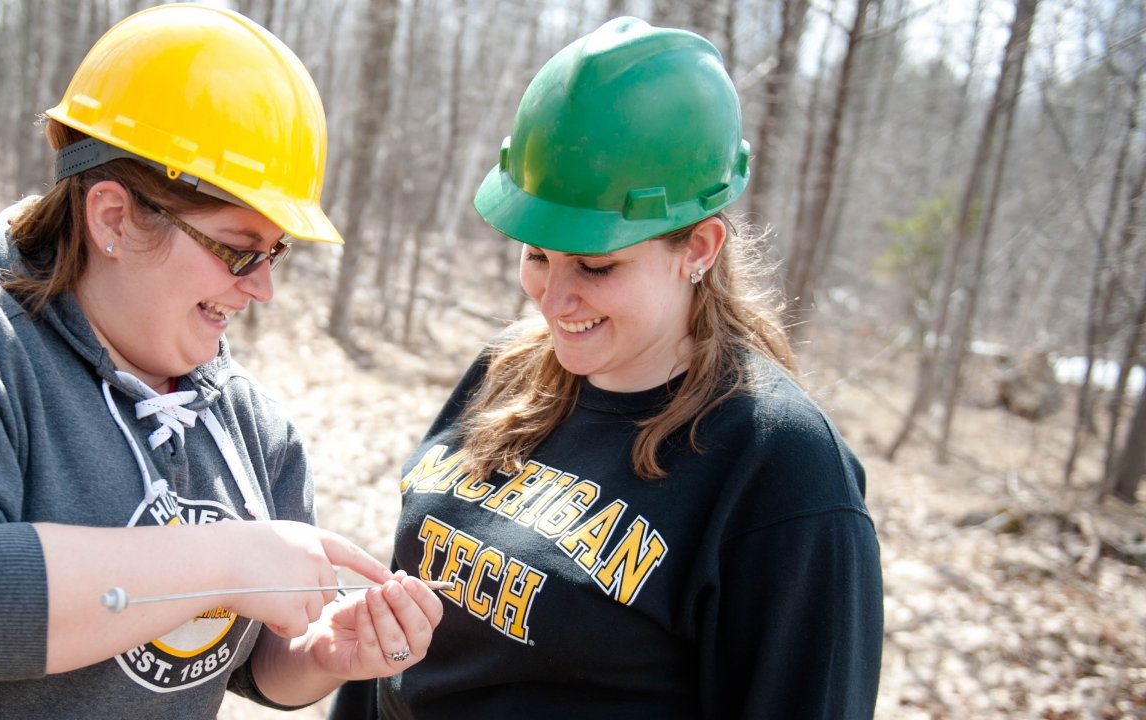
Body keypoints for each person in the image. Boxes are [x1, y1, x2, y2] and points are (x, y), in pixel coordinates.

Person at [0, 6, 442, 719]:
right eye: (238, 248)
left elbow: (246, 663)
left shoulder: (252, 429)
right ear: (113, 219)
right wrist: (226, 559)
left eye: (275, 252)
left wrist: (321, 654)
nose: (264, 285)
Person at [330, 16, 883, 720]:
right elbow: (395, 657)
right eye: (537, 254)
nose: (553, 298)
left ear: (700, 247)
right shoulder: (506, 373)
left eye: (595, 264)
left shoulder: (779, 466)